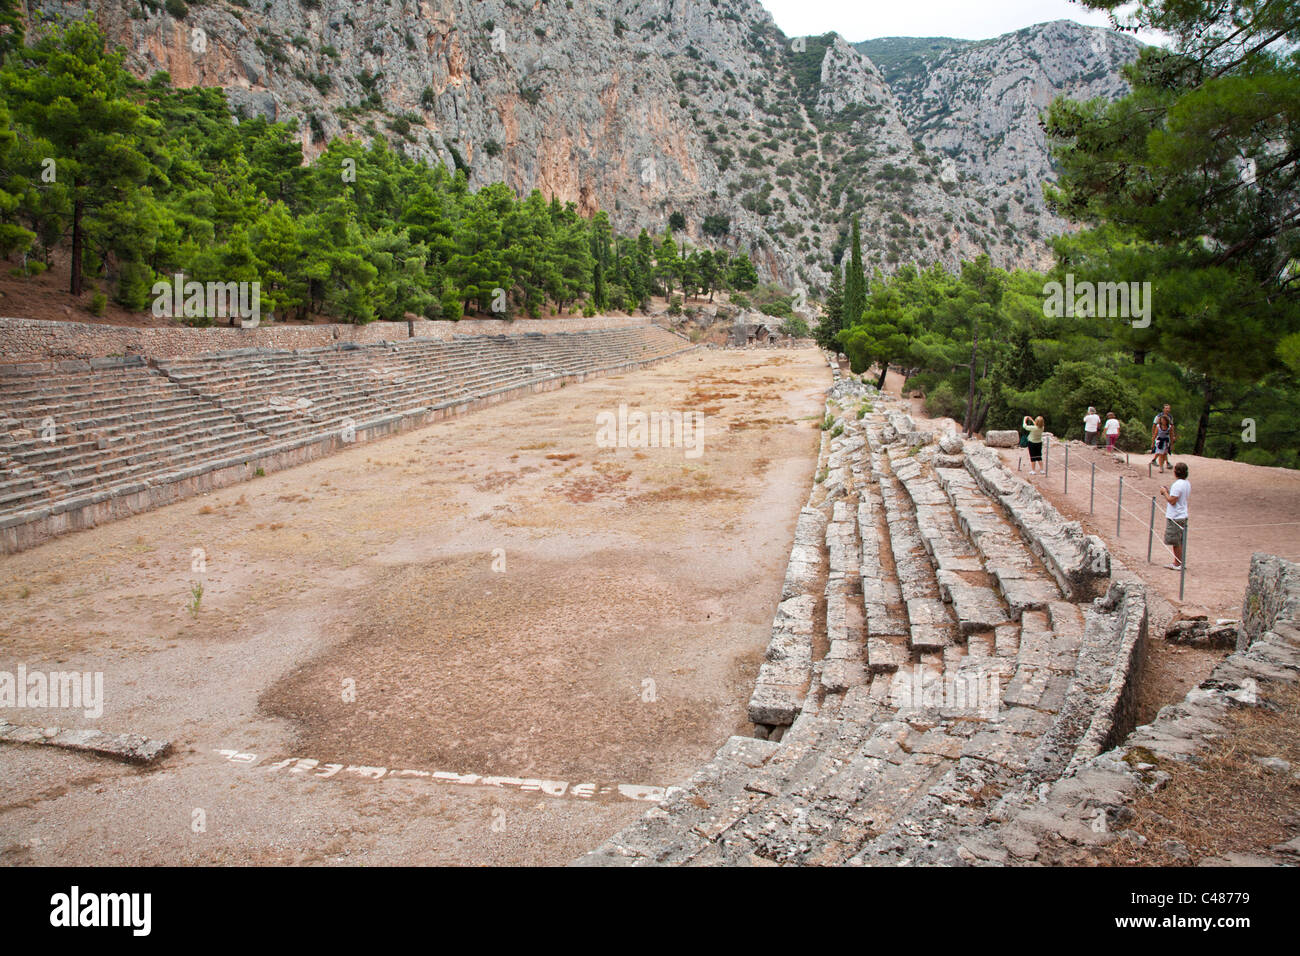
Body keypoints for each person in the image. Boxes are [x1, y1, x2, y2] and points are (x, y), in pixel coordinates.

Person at [1160, 462, 1190, 570]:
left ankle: (1178, 564)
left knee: (1175, 541)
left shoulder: (1178, 484)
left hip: (1176, 516)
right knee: (1179, 540)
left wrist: (1164, 492)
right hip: (1182, 515)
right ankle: (1179, 562)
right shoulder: (1186, 483)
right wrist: (1169, 492)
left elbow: (1172, 501)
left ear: (1175, 472)